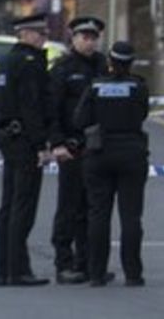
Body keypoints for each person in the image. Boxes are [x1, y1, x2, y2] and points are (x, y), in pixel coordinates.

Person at [73, 41, 149, 287]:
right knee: (131, 216)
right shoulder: (138, 86)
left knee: (98, 215)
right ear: (131, 63)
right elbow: (142, 114)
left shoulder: (95, 86)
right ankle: (133, 274)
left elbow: (79, 120)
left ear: (110, 61)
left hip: (99, 153)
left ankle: (96, 273)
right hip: (131, 153)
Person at [0, 12, 53, 287]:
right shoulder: (30, 64)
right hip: (26, 141)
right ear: (25, 34)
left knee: (8, 205)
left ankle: (5, 270)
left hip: (8, 138)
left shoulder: (3, 62)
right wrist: (41, 144)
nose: (43, 39)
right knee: (23, 207)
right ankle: (18, 270)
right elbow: (32, 106)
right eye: (40, 34)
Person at [48, 16, 108, 285]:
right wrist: (57, 143)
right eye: (85, 37)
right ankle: (63, 264)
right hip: (72, 146)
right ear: (73, 38)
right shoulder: (63, 68)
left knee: (91, 207)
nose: (90, 42)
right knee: (69, 207)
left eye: (94, 37)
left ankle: (87, 263)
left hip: (97, 147)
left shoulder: (102, 65)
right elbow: (52, 110)